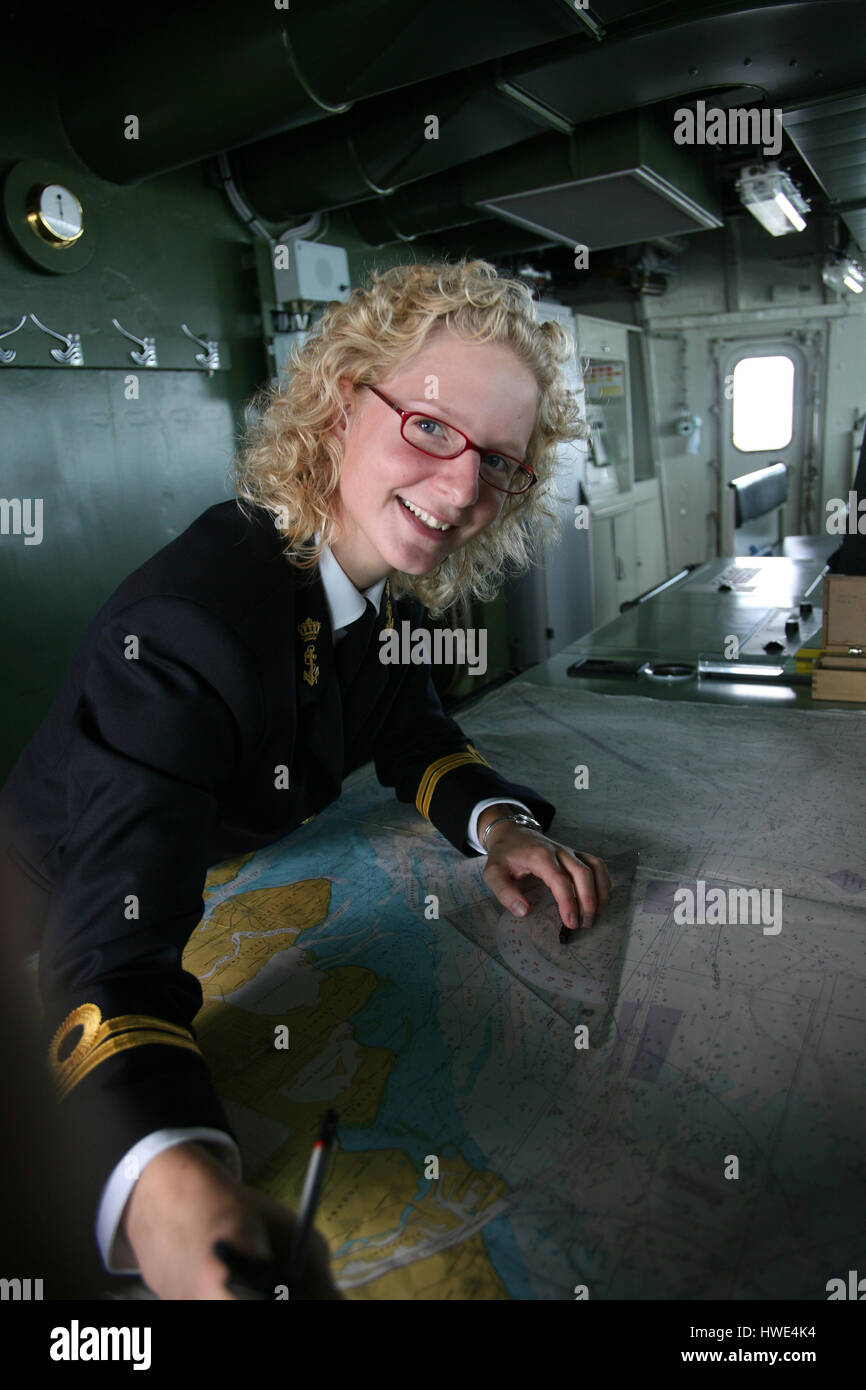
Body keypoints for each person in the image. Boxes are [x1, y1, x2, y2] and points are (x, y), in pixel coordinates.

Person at [0, 258, 610, 1300]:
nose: (462, 488)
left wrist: (500, 826)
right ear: (336, 407)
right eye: (428, 426)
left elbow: (410, 726)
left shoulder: (370, 588)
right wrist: (166, 1185)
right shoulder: (188, 627)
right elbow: (109, 952)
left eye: (497, 462)